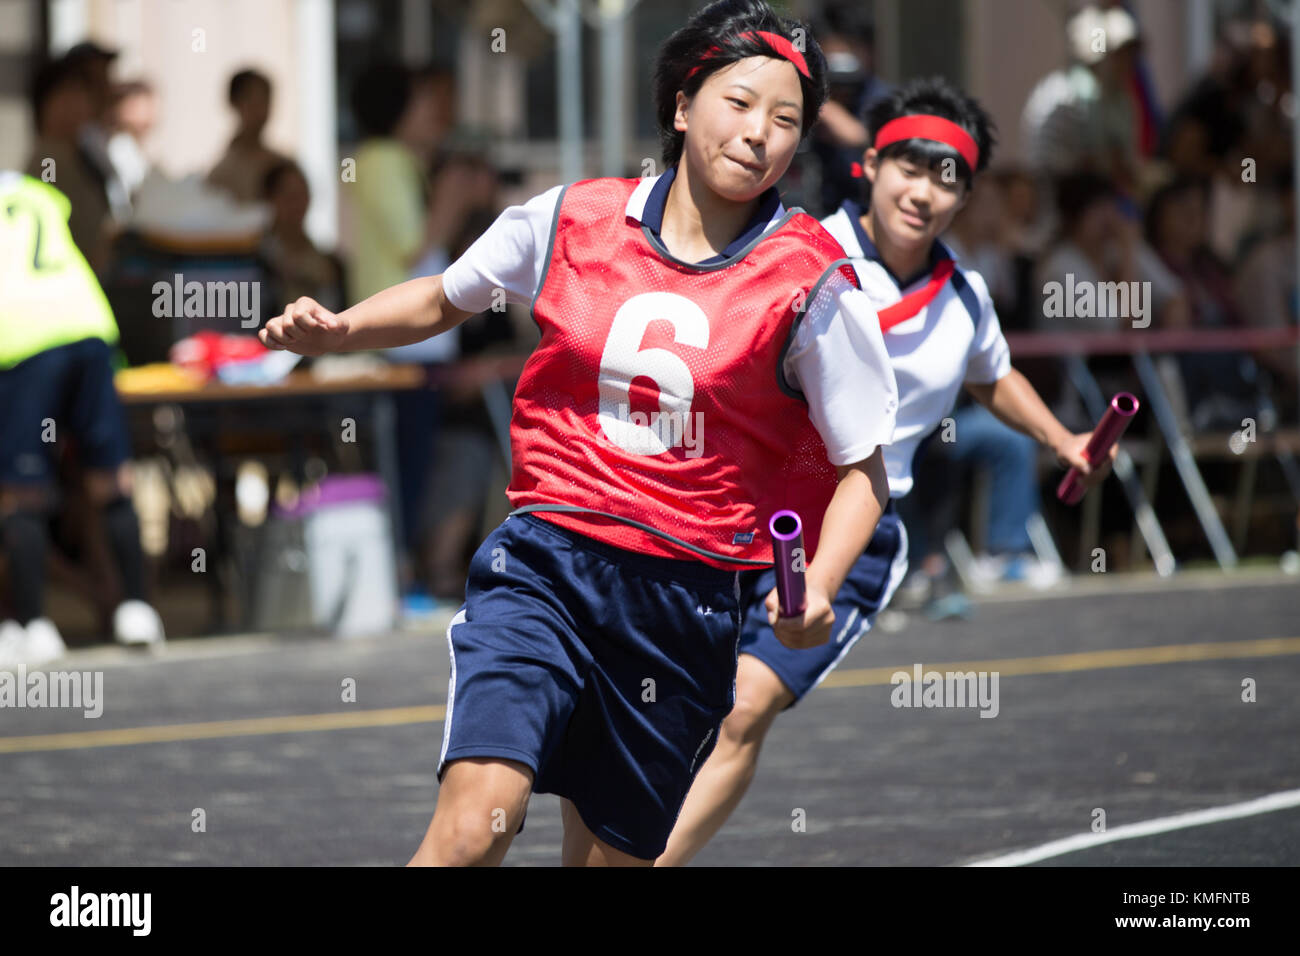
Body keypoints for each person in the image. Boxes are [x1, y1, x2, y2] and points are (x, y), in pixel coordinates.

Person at [260, 0, 899, 866]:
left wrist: (819, 583)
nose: (760, 135)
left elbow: (864, 466)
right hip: (547, 564)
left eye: (785, 120)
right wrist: (340, 330)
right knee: (471, 824)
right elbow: (446, 295)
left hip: (684, 602)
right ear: (682, 104)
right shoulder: (573, 218)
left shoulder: (812, 283)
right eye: (739, 104)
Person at [659, 75, 1117, 865]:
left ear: (965, 198)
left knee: (742, 710)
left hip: (854, 535)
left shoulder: (965, 296)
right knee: (669, 707)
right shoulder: (797, 249)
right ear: (871, 165)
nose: (925, 192)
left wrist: (1062, 438)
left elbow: (992, 373)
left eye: (949, 179)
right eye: (910, 166)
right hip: (734, 511)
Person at [0, 170, 165, 669]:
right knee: (111, 477)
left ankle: (33, 625)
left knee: (19, 491)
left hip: (22, 335)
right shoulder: (35, 190)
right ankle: (137, 610)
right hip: (88, 324)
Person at [208, 69, 289, 204]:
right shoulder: (223, 173)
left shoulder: (282, 165)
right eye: (254, 101)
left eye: (266, 100)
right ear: (235, 103)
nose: (261, 110)